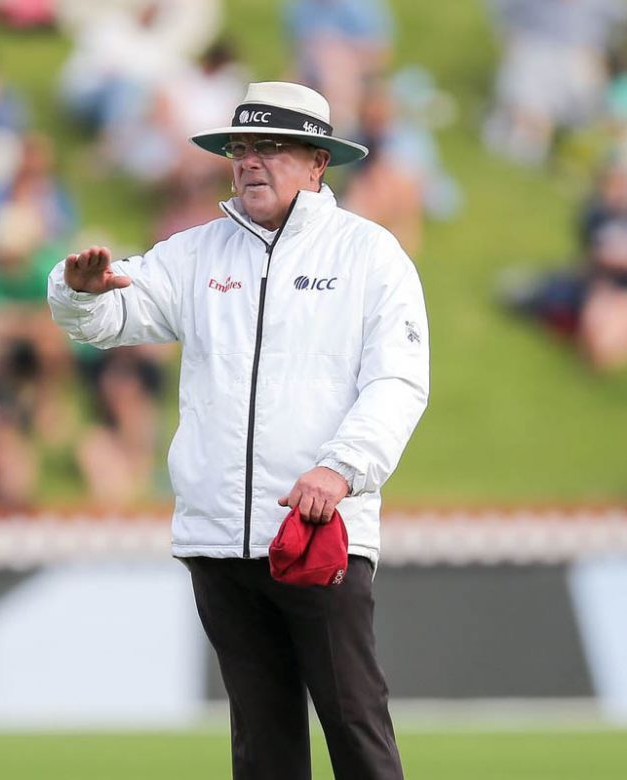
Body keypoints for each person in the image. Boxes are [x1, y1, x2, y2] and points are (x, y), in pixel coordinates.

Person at [48, 81, 429, 779]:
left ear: (318, 162)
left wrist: (340, 469)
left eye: (270, 149)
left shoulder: (370, 257)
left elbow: (399, 383)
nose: (249, 162)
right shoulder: (195, 254)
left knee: (356, 733)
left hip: (320, 533)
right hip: (219, 540)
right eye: (240, 149)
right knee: (262, 749)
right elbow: (111, 317)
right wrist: (77, 292)